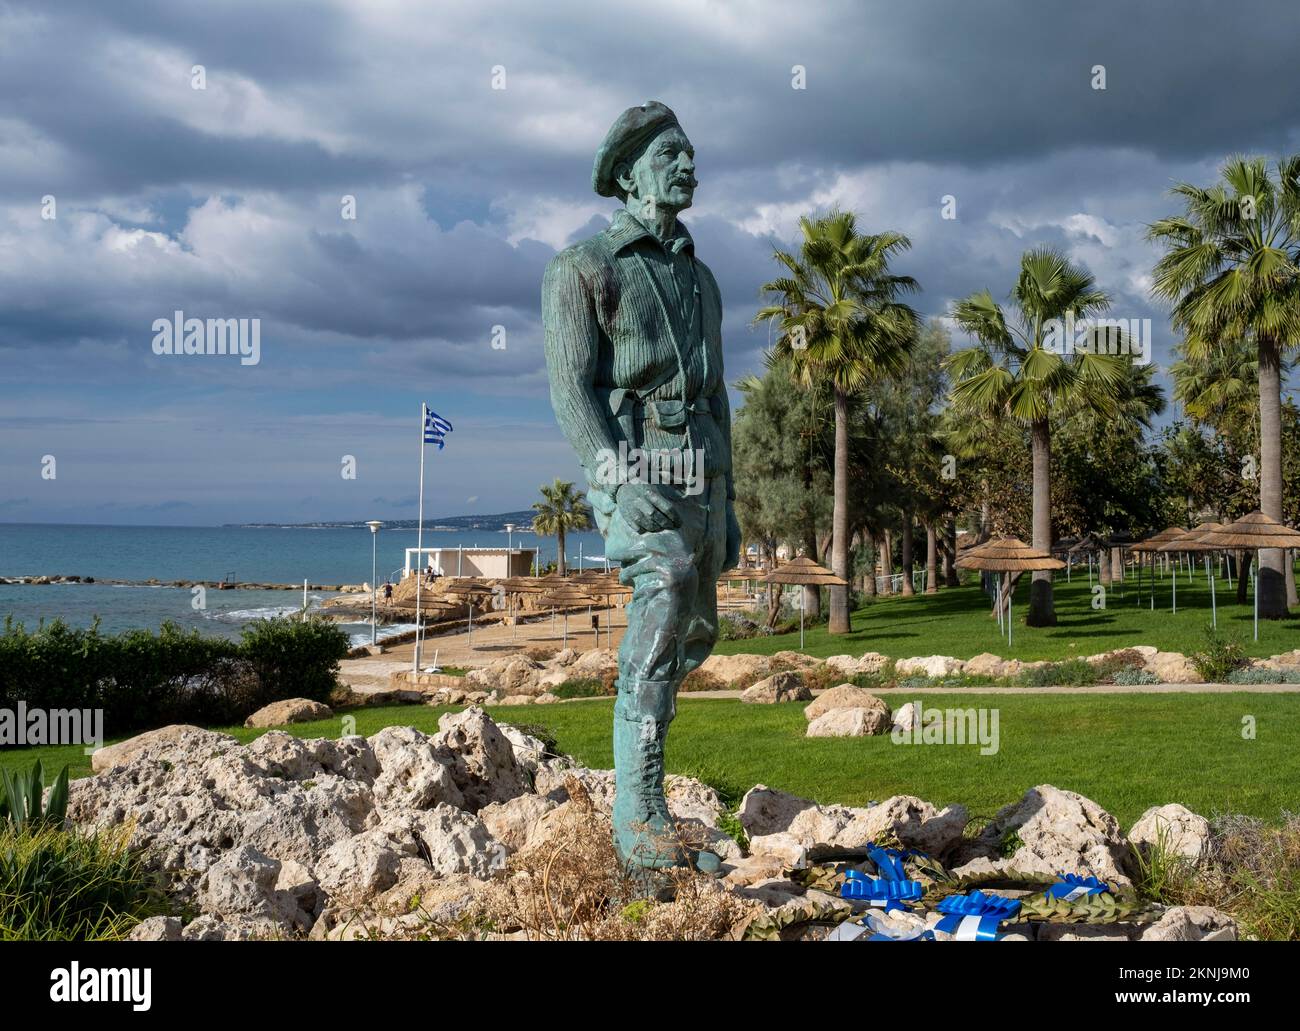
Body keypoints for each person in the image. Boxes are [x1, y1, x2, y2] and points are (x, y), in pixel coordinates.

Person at [542, 101, 738, 876]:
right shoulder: (583, 266)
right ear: (627, 174)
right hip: (636, 463)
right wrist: (619, 476)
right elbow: (571, 390)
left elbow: (719, 390)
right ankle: (638, 813)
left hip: (704, 469)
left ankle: (648, 796)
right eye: (669, 155)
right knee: (662, 591)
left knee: (694, 630)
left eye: (691, 153)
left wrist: (731, 500)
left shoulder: (702, 276)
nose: (687, 166)